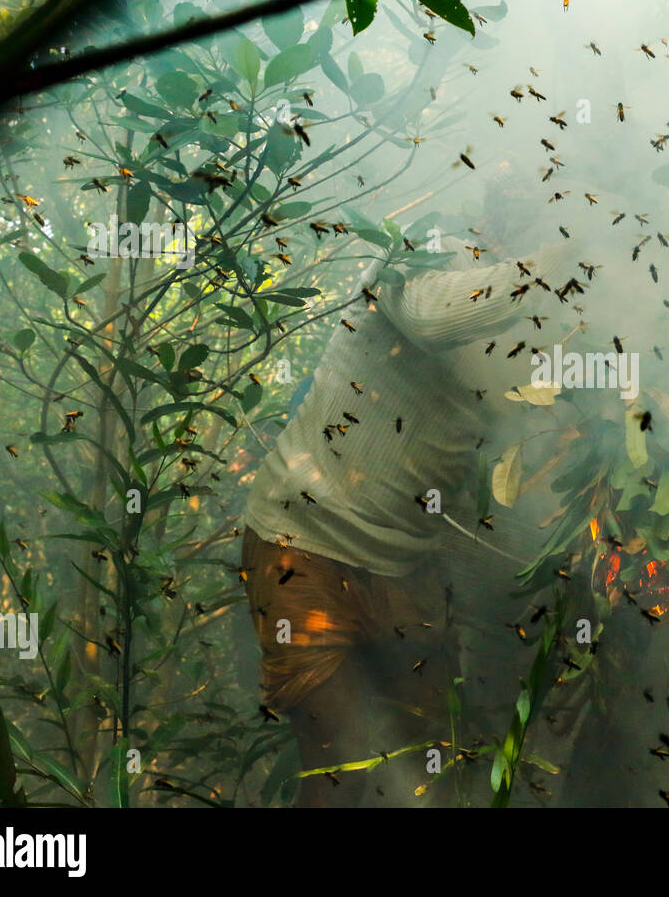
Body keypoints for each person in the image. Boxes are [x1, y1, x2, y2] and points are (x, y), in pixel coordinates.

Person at [241, 183, 575, 806]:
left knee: (431, 764)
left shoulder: (527, 305)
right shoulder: (421, 246)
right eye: (524, 194)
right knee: (339, 764)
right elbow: (434, 315)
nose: (529, 213)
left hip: (406, 568)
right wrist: (572, 247)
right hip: (305, 547)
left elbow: (539, 412)